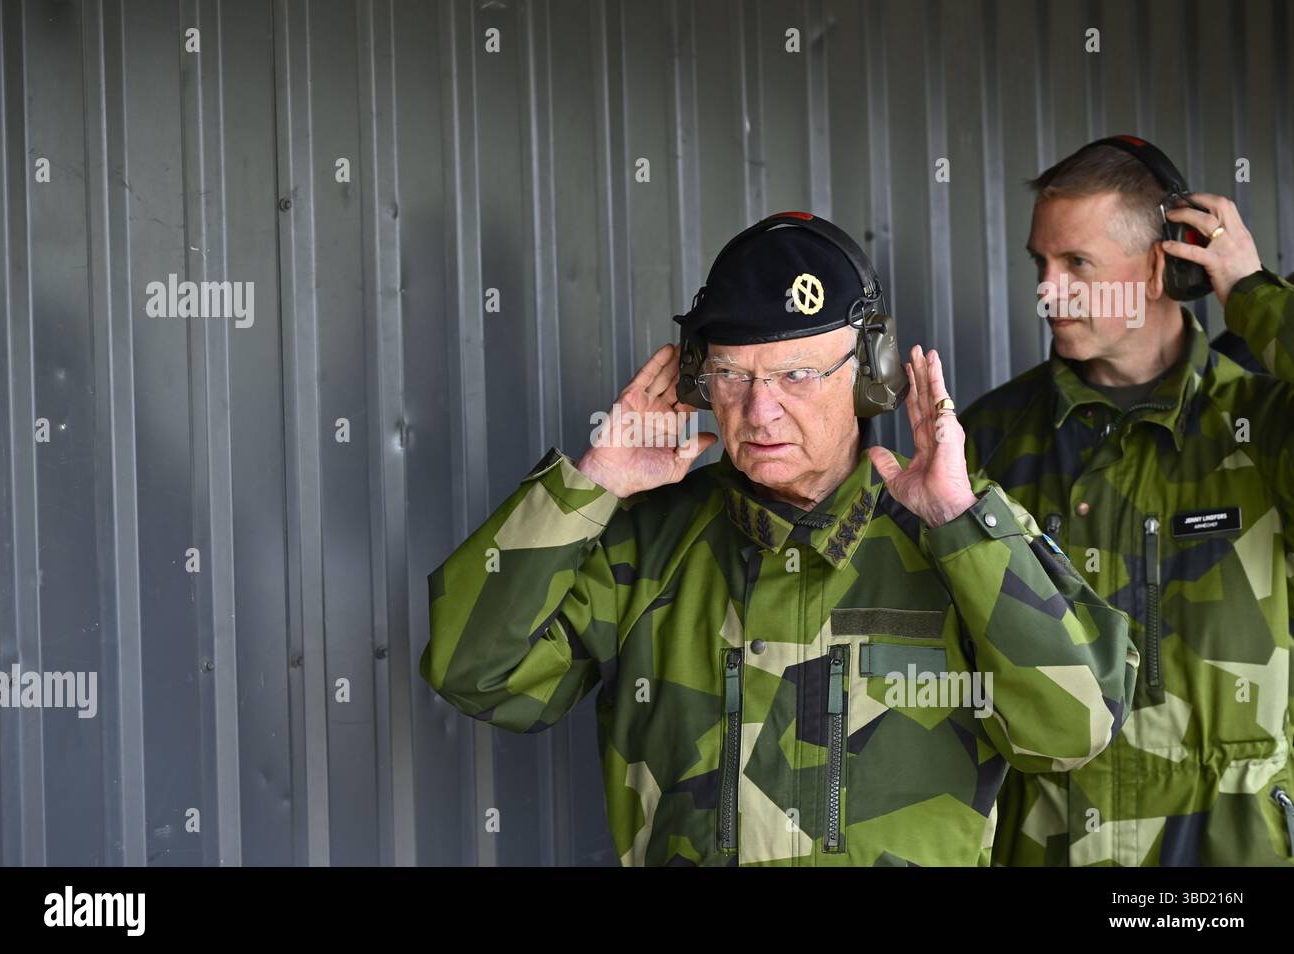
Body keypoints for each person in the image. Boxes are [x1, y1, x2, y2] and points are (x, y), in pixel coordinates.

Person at [423, 212, 1135, 866]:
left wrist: (962, 522)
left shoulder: (961, 538)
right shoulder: (647, 542)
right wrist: (591, 485)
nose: (760, 411)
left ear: (870, 378)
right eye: (733, 376)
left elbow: (1073, 730)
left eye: (797, 374)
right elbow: (477, 676)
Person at [959, 137, 1294, 866]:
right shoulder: (984, 440)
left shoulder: (1261, 425)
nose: (1048, 289)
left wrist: (1257, 297)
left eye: (1076, 263)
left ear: (1159, 267)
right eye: (1039, 264)